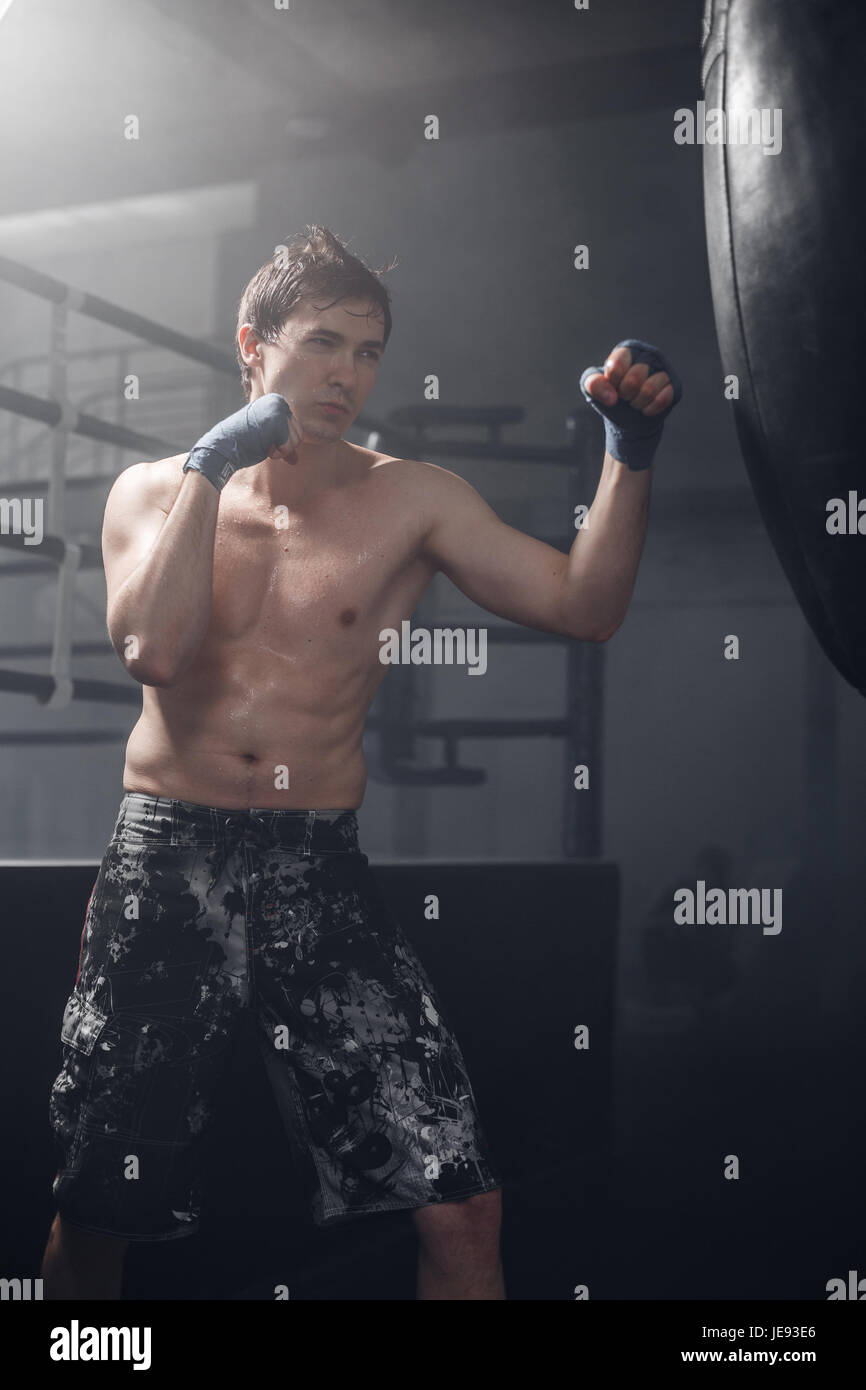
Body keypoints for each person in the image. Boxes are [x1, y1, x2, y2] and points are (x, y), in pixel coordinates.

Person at [42, 225, 680, 1301]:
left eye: (369, 351)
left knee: (461, 1202)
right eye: (324, 343)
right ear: (253, 345)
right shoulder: (149, 492)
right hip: (166, 864)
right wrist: (209, 467)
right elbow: (152, 648)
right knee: (101, 1205)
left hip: (315, 866)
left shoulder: (411, 496)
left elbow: (586, 605)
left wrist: (627, 457)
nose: (347, 374)